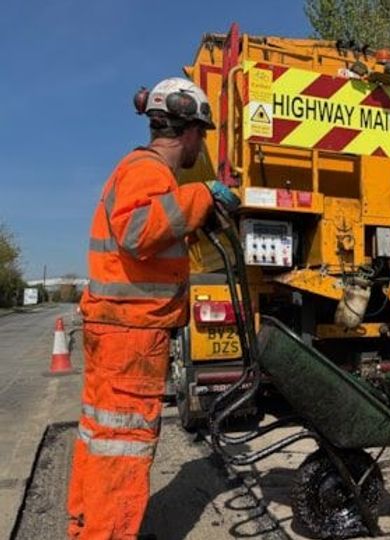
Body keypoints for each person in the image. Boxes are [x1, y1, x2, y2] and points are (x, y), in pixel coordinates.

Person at [66, 77, 241, 539]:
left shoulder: (141, 170)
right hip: (130, 335)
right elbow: (137, 230)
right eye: (202, 135)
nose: (201, 145)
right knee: (123, 442)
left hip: (117, 328)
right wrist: (202, 195)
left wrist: (194, 217)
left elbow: (150, 239)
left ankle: (87, 526)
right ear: (189, 131)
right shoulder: (149, 170)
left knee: (101, 435)